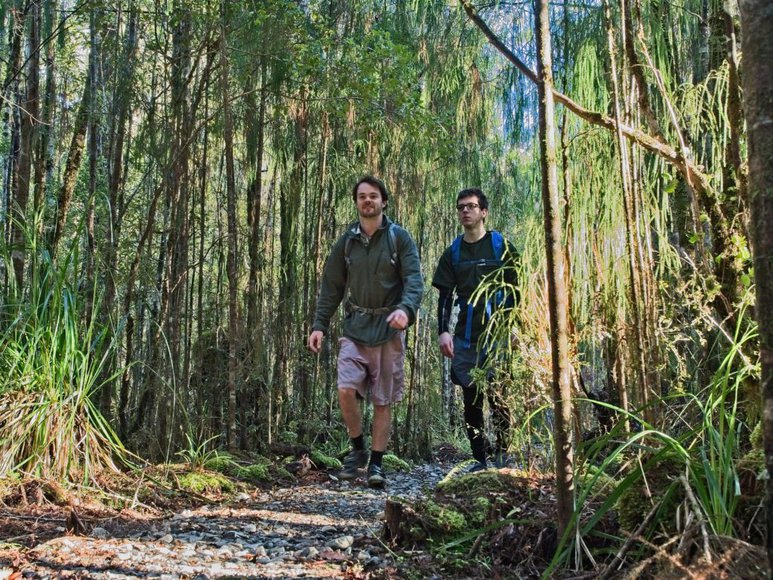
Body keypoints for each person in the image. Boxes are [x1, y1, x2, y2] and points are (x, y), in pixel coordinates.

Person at [308, 175, 423, 488]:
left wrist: (406, 309)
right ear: (357, 202)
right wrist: (319, 325)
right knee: (346, 389)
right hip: (356, 328)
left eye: (373, 196)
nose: (368, 201)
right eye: (362, 196)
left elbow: (414, 280)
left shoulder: (400, 239)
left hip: (388, 330)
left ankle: (377, 463)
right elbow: (331, 288)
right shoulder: (347, 242)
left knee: (382, 400)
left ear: (384, 201)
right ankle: (357, 448)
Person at [432, 188, 519, 472]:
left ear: (483, 212)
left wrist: (517, 328)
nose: (465, 211)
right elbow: (445, 296)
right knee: (471, 398)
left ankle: (503, 455)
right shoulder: (453, 253)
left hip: (499, 333)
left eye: (471, 206)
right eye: (461, 207)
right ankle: (479, 459)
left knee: (499, 396)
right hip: (467, 335)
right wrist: (443, 332)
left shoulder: (501, 247)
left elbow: (518, 290)